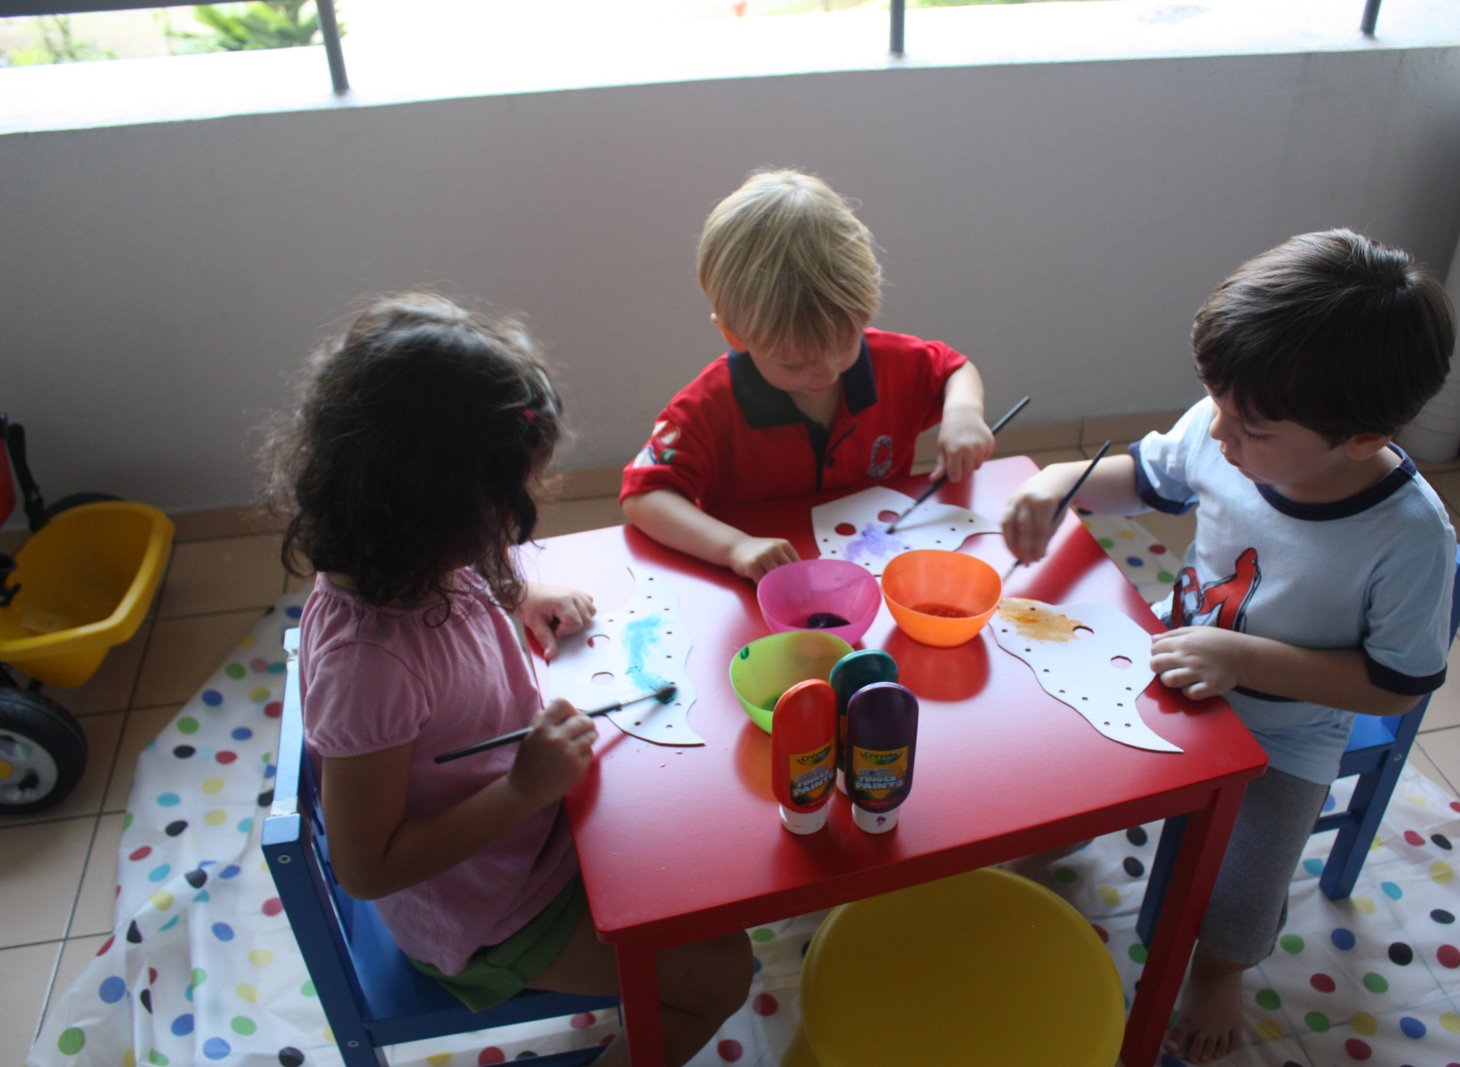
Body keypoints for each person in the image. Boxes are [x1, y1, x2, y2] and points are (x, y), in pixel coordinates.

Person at [262, 294, 753, 1067]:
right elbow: (364, 866)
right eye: (505, 511)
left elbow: (474, 578)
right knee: (722, 972)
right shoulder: (367, 665)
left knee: (709, 830)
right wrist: (523, 789)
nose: (512, 528)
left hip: (536, 818)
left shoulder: (411, 554)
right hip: (487, 908)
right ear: (438, 511)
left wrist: (521, 592)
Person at [1001, 230, 1457, 1063]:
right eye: (1215, 402)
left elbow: (1395, 685)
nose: (1220, 432)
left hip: (1287, 733)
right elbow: (1145, 476)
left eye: (1249, 426)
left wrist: (1243, 660)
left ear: (1359, 437)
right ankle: (1046, 848)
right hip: (1169, 667)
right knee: (1053, 767)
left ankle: (1219, 971)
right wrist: (1049, 481)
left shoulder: (1408, 537)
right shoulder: (1230, 423)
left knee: (1242, 894)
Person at [620, 167, 994, 580]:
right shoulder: (705, 408)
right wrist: (734, 546)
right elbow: (644, 496)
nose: (827, 371)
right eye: (793, 363)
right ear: (734, 334)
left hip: (874, 575)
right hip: (762, 587)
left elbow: (954, 369)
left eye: (844, 344)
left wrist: (964, 413)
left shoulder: (890, 361)